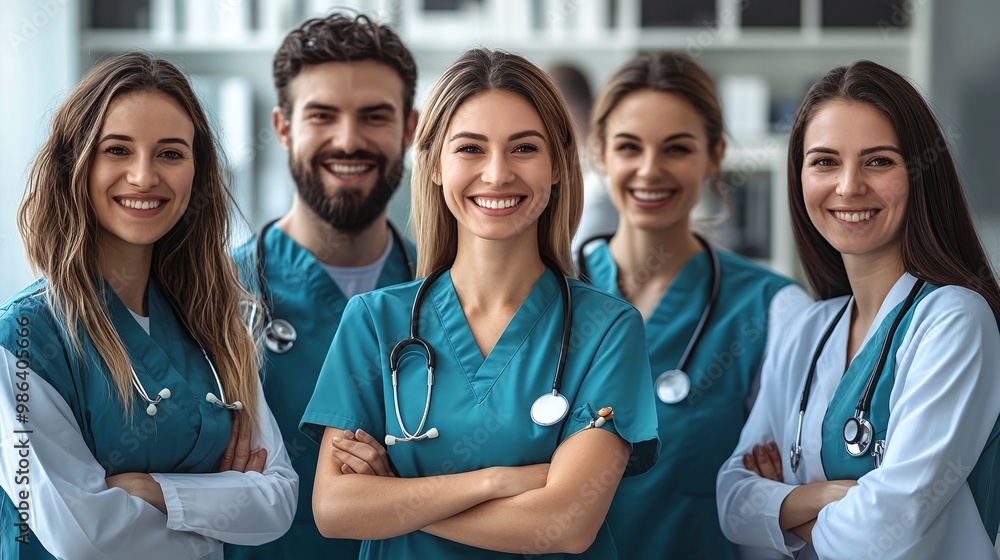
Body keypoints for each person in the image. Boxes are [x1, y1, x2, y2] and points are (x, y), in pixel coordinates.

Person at [299, 48, 660, 559]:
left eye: (523, 149)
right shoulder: (375, 321)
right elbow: (336, 510)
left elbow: (564, 524)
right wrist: (496, 482)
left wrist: (397, 499)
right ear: (434, 166)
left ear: (557, 164)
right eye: (470, 148)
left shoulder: (607, 329)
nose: (496, 174)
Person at [0, 52, 296, 560]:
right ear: (77, 164)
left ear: (196, 173)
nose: (143, 176)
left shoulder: (212, 324)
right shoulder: (25, 337)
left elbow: (277, 501)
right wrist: (215, 519)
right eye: (117, 149)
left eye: (171, 154)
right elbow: (81, 536)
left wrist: (149, 491)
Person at [717, 59, 1000, 559]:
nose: (849, 186)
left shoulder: (955, 320)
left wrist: (785, 507)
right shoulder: (808, 328)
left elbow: (881, 539)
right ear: (799, 175)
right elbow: (733, 502)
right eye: (824, 161)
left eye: (878, 161)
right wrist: (829, 497)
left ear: (920, 176)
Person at [575, 52, 811, 559]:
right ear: (599, 153)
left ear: (715, 155)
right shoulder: (546, 293)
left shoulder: (773, 311)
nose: (649, 169)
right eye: (628, 147)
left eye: (677, 148)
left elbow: (774, 496)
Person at [228, 13, 418, 560]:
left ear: (410, 129)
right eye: (322, 115)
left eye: (374, 116)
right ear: (283, 127)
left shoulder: (452, 298)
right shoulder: (207, 293)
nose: (348, 140)